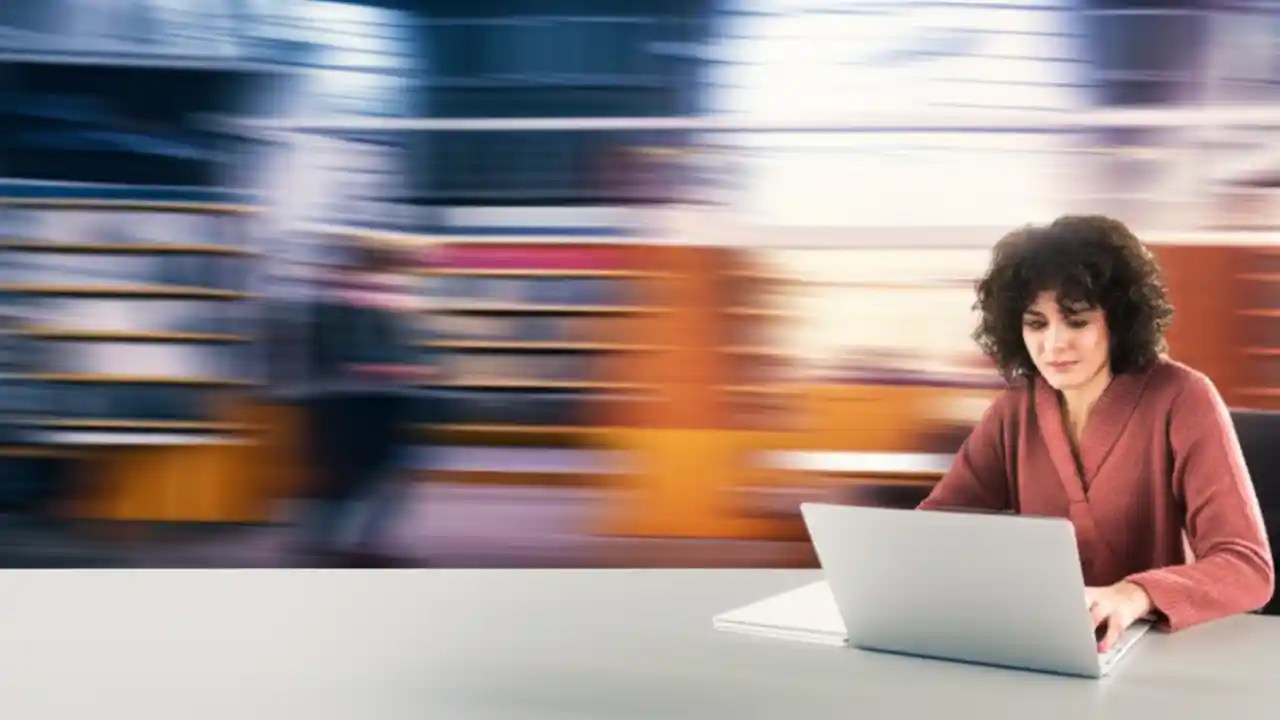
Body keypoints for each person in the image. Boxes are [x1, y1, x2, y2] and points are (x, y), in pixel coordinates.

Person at [918, 215, 1274, 652]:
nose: (1054, 344)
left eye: (1077, 322)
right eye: (1036, 324)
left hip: (1157, 651)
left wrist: (1135, 594)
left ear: (1119, 321)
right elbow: (933, 530)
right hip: (1043, 646)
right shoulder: (1015, 409)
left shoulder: (1183, 397)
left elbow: (1247, 567)